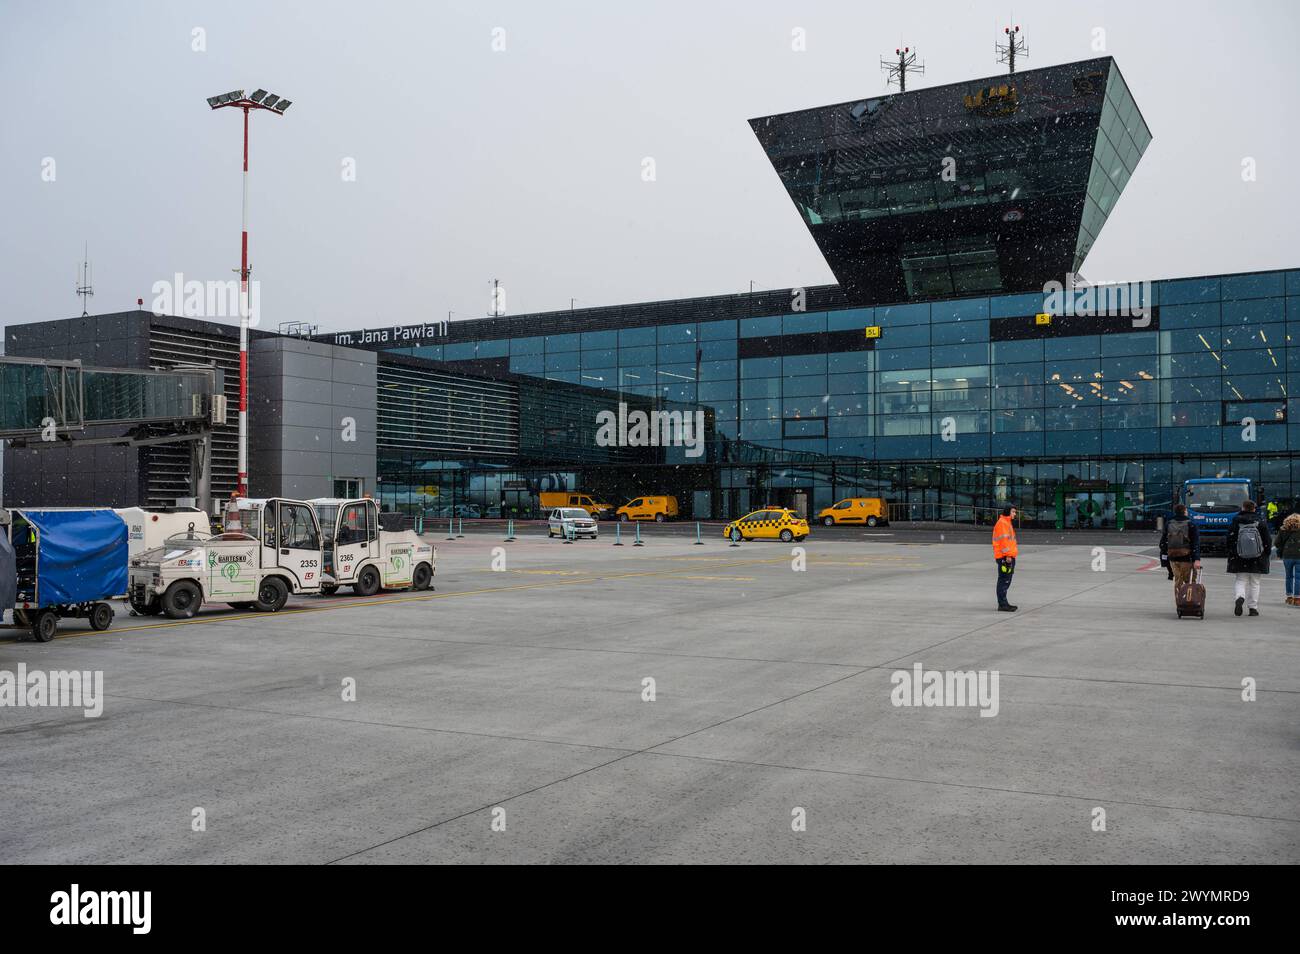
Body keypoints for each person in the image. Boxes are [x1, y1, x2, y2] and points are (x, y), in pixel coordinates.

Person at [1225, 499, 1271, 617]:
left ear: (1243, 508)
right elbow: (1267, 539)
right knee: (1255, 582)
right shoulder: (1260, 521)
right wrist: (1267, 552)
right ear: (1254, 508)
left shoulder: (1236, 520)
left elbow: (1229, 538)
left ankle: (1240, 597)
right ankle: (1253, 608)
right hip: (1258, 555)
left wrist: (1232, 551)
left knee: (1241, 580)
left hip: (1240, 555)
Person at [1159, 504, 1202, 592]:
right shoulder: (1191, 524)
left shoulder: (1169, 523)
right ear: (1185, 511)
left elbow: (1162, 543)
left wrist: (1165, 559)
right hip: (1187, 558)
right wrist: (1196, 559)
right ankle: (1189, 601)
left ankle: (1179, 602)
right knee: (1189, 582)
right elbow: (1195, 543)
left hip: (1173, 558)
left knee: (1178, 581)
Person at [992, 505, 1018, 612]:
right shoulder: (1003, 523)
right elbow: (1004, 542)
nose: (1015, 514)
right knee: (1004, 580)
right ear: (1008, 512)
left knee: (1006, 579)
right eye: (1013, 512)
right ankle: (1002, 604)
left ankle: (1004, 603)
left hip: (1008, 556)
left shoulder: (1006, 523)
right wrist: (1007, 555)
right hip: (1005, 557)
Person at [1274, 513, 1300, 606]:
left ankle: (1289, 597)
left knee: (1288, 576)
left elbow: (1277, 543)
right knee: (1298, 577)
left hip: (1287, 555)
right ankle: (1297, 599)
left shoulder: (1283, 529)